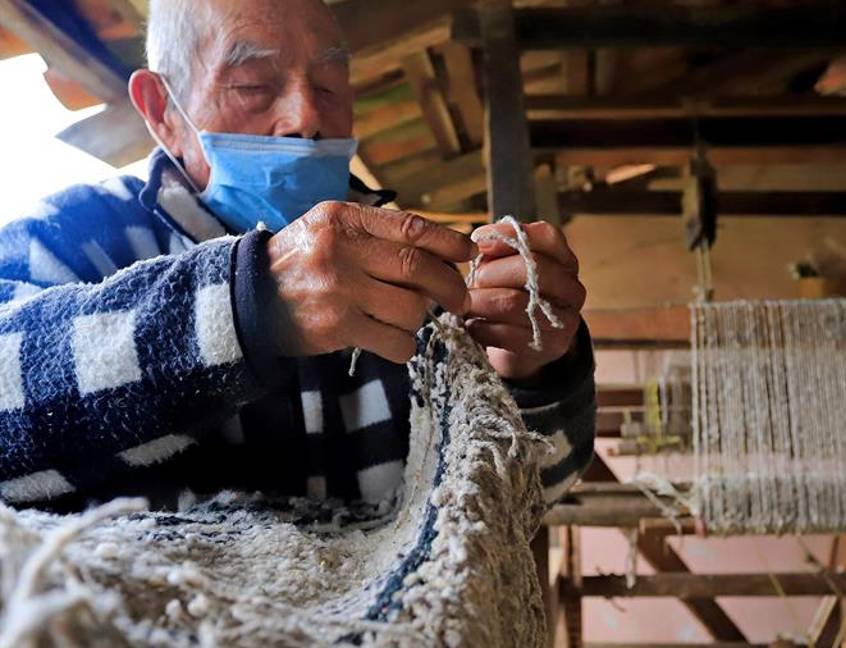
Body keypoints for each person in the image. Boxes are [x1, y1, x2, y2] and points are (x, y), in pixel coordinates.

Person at [0, 0, 594, 510]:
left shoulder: (420, 276)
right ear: (162, 112)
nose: (308, 116)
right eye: (253, 84)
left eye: (331, 85)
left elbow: (523, 501)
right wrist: (243, 305)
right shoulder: (70, 237)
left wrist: (534, 377)